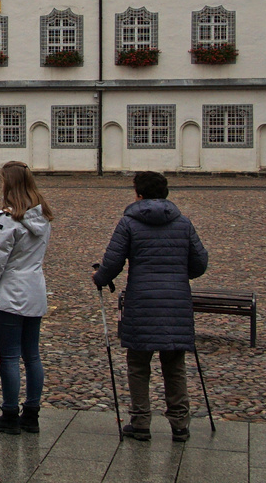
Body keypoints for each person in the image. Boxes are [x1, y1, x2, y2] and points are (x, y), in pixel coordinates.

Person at [92, 171, 210, 442]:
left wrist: (99, 278)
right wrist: (178, 273)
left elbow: (113, 262)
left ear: (139, 194)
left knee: (138, 364)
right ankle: (180, 424)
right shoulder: (183, 223)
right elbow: (200, 264)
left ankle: (141, 422)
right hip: (176, 304)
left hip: (142, 302)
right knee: (174, 365)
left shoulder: (129, 223)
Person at [0, 162, 52, 436]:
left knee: (9, 357)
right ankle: (31, 414)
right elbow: (26, 252)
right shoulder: (41, 217)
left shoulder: (8, 219)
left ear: (9, 184)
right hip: (34, 290)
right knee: (32, 356)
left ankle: (9, 413)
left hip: (10, 295)